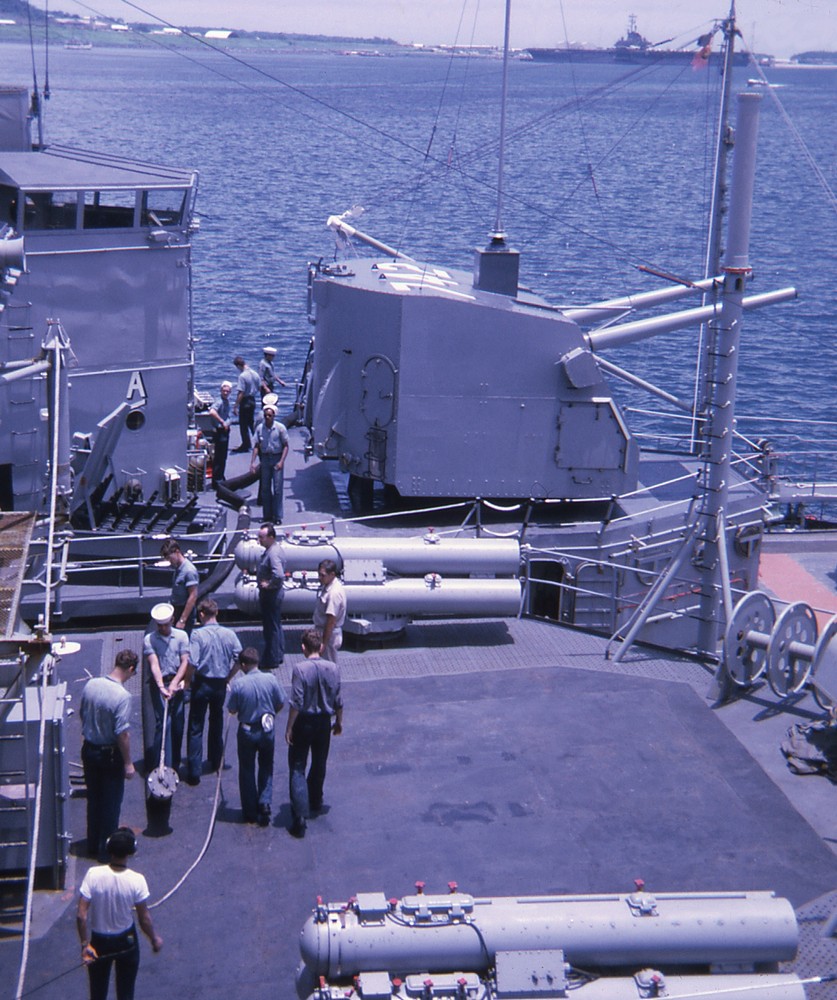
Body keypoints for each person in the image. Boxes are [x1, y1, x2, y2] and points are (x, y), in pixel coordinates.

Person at [77, 827, 163, 1000]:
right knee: (126, 992)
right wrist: (154, 938)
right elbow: (144, 919)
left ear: (109, 849)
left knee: (97, 993)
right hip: (126, 941)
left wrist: (85, 945)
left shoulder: (93, 875)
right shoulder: (137, 880)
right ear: (131, 852)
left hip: (99, 943)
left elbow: (81, 915)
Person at [285, 628, 343, 839]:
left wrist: (289, 727)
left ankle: (300, 817)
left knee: (298, 766)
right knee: (319, 762)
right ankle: (316, 799)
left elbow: (296, 702)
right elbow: (338, 700)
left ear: (303, 648)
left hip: (304, 722)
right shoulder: (334, 668)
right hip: (323, 723)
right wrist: (339, 722)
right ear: (320, 647)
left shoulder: (300, 669)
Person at [80, 652, 138, 861]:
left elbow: (83, 713)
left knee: (94, 799)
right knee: (111, 804)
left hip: (89, 750)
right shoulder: (122, 696)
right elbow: (122, 733)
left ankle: (93, 845)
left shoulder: (91, 685)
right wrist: (128, 763)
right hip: (109, 755)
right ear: (131, 669)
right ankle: (108, 853)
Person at [185, 598, 242, 785]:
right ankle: (216, 761)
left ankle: (194, 771)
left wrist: (187, 682)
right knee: (216, 721)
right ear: (216, 613)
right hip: (219, 684)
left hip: (202, 683)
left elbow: (192, 662)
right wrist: (228, 676)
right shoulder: (230, 634)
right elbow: (240, 659)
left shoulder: (197, 635)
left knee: (195, 726)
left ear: (201, 614)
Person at [227, 647, 286, 826]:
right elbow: (281, 702)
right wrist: (270, 715)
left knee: (247, 770)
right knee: (266, 766)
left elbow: (232, 709)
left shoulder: (238, 684)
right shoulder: (271, 679)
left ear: (244, 664)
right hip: (267, 730)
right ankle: (265, 802)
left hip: (247, 731)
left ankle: (250, 811)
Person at [143, 603, 190, 774]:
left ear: (172, 620)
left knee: (177, 724)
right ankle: (160, 765)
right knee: (163, 724)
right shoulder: (150, 639)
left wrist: (175, 683)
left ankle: (174, 763)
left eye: (166, 624)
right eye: (159, 625)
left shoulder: (182, 636)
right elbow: (154, 664)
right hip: (160, 685)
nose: (163, 628)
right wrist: (162, 686)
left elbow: (185, 660)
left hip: (176, 684)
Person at [250, 405, 289, 524]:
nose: (267, 417)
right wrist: (252, 462)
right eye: (265, 415)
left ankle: (277, 516)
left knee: (277, 489)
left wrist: (282, 461)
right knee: (265, 489)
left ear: (274, 416)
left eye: (270, 415)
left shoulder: (280, 428)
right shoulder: (260, 429)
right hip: (265, 459)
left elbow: (286, 445)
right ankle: (267, 516)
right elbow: (256, 446)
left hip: (277, 458)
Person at [256, 522, 286, 669]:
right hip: (274, 594)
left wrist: (269, 584)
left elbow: (279, 575)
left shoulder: (273, 553)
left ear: (271, 537)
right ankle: (278, 654)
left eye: (261, 537)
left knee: (270, 628)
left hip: (271, 595)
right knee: (276, 625)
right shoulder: (274, 549)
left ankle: (271, 659)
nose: (259, 540)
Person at [159, 539, 199, 632]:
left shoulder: (189, 571)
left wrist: (182, 620)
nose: (170, 561)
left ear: (177, 552)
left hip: (184, 613)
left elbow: (193, 596)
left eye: (170, 558)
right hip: (176, 610)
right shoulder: (178, 568)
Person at [313, 558, 347, 664]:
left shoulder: (333, 594)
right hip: (325, 632)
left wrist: (323, 643)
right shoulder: (329, 586)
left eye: (322, 575)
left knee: (329, 666)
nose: (320, 578)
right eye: (319, 574)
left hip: (329, 635)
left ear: (332, 574)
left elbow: (331, 621)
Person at [232, 355, 260, 452]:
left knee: (243, 424)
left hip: (245, 401)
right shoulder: (255, 374)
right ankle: (258, 441)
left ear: (238, 366)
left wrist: (235, 406)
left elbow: (241, 392)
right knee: (251, 422)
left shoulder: (242, 376)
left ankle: (246, 444)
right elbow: (260, 386)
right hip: (253, 400)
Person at [208, 380, 233, 483]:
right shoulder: (219, 402)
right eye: (224, 391)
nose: (225, 393)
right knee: (219, 456)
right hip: (220, 431)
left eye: (227, 391)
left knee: (223, 456)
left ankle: (220, 476)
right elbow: (212, 411)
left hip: (225, 431)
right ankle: (217, 479)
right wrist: (222, 422)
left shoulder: (226, 401)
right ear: (221, 391)